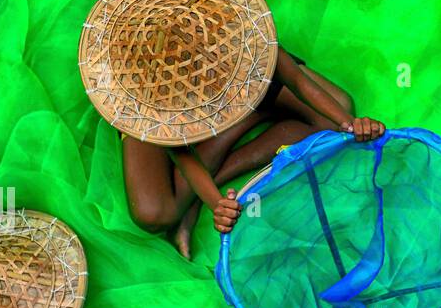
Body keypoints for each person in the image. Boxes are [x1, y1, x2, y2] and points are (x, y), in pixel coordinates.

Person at [123, 47, 386, 258]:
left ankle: (245, 116)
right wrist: (216, 203)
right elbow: (181, 151)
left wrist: (350, 124)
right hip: (162, 112)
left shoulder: (243, 33)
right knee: (154, 214)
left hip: (241, 83)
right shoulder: (148, 83)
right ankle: (245, 119)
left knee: (335, 113)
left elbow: (296, 80)